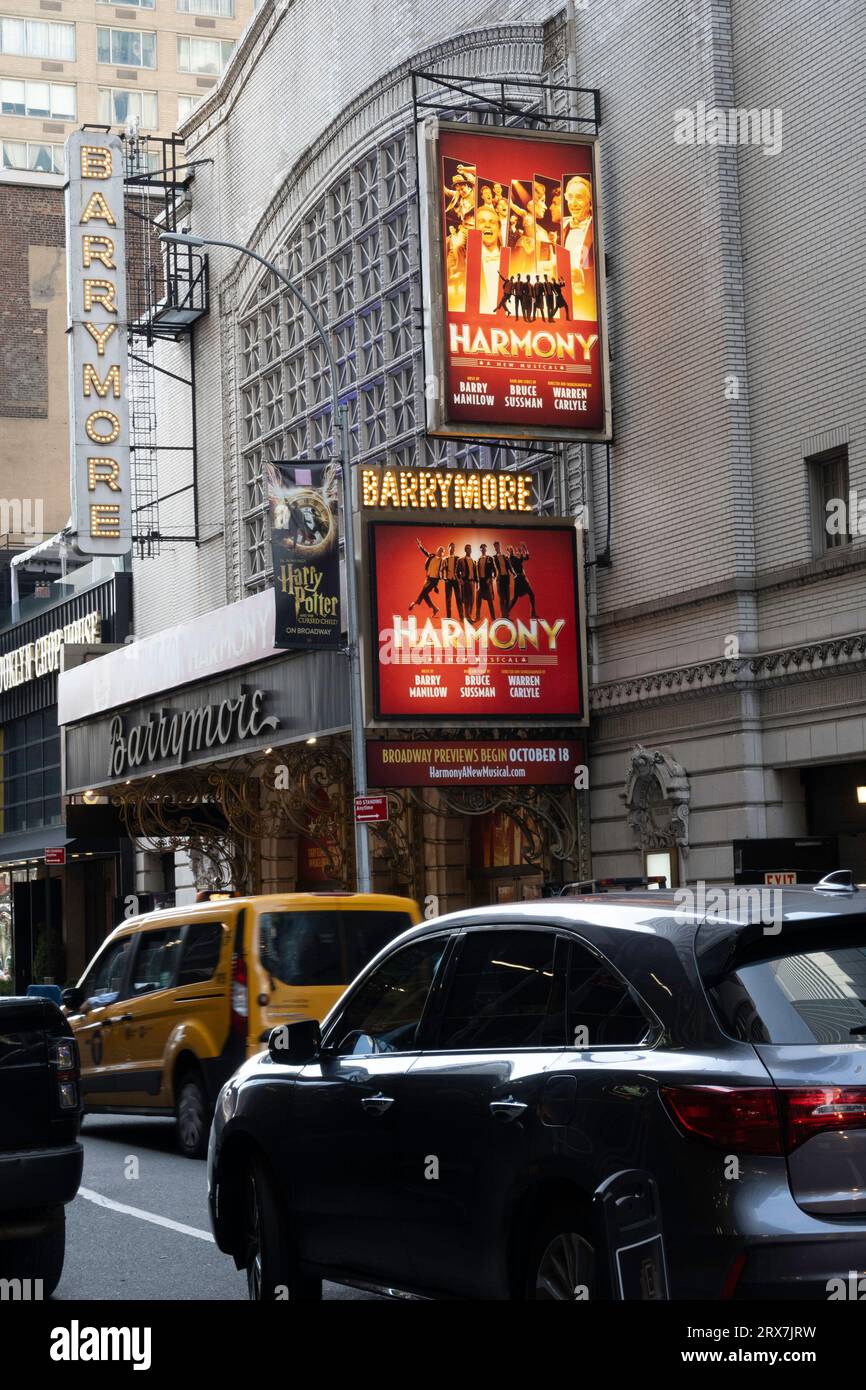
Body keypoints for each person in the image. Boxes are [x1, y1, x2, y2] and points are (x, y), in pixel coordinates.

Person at [562, 175, 593, 296]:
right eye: (570, 197)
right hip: (563, 291)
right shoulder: (562, 225)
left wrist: (582, 276)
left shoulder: (596, 227)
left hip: (586, 296)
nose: (573, 203)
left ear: (589, 202)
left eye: (579, 197)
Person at [476, 204, 504, 314]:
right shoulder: (465, 261)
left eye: (492, 222)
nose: (487, 225)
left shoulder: (514, 259)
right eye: (482, 221)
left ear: (499, 229)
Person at [409, 539, 444, 615]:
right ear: (437, 551)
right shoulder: (432, 556)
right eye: (439, 550)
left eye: (441, 551)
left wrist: (436, 586)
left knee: (423, 592)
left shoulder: (442, 561)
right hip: (428, 578)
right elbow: (425, 552)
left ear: (443, 553)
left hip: (434, 580)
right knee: (425, 594)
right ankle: (435, 608)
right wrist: (420, 546)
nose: (439, 552)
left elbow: (440, 573)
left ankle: (415, 603)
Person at [507, 543, 537, 618]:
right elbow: (518, 562)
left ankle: (532, 613)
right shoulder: (510, 559)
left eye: (512, 549)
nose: (512, 550)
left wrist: (525, 549)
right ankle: (506, 612)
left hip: (522, 579)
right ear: (508, 551)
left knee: (531, 594)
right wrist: (521, 552)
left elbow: (526, 558)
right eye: (510, 550)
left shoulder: (515, 557)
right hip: (518, 579)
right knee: (515, 598)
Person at [475, 544, 496, 622]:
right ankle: (477, 617)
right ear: (480, 550)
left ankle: (493, 618)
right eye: (482, 548)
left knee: (490, 601)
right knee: (478, 600)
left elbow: (494, 571)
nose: (483, 549)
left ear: (486, 549)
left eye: (484, 548)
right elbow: (477, 572)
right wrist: (477, 583)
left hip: (487, 583)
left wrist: (491, 578)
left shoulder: (490, 558)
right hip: (481, 582)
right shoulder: (479, 559)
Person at [442, 541, 463, 619]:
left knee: (459, 598)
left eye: (453, 547)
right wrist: (444, 578)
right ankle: (448, 617)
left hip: (456, 580)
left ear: (454, 549)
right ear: (448, 548)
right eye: (451, 547)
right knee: (448, 599)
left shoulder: (458, 558)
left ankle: (461, 617)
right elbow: (442, 569)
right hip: (448, 581)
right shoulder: (445, 559)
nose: (452, 548)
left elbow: (461, 570)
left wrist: (460, 578)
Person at [457, 544, 476, 619]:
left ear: (471, 550)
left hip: (472, 583)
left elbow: (475, 572)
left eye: (470, 549)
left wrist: (476, 582)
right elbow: (457, 572)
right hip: (465, 582)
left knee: (472, 600)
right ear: (465, 550)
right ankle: (467, 617)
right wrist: (460, 579)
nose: (469, 550)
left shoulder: (473, 561)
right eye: (467, 549)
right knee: (466, 600)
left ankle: (469, 616)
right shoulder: (461, 560)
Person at [492, 540, 511, 616]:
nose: (496, 547)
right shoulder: (493, 558)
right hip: (499, 579)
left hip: (506, 578)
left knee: (508, 597)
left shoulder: (505, 557)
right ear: (494, 548)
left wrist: (514, 574)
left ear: (500, 546)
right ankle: (502, 614)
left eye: (497, 546)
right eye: (495, 546)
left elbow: (509, 567)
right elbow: (492, 568)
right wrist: (493, 575)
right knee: (502, 597)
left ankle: (507, 614)